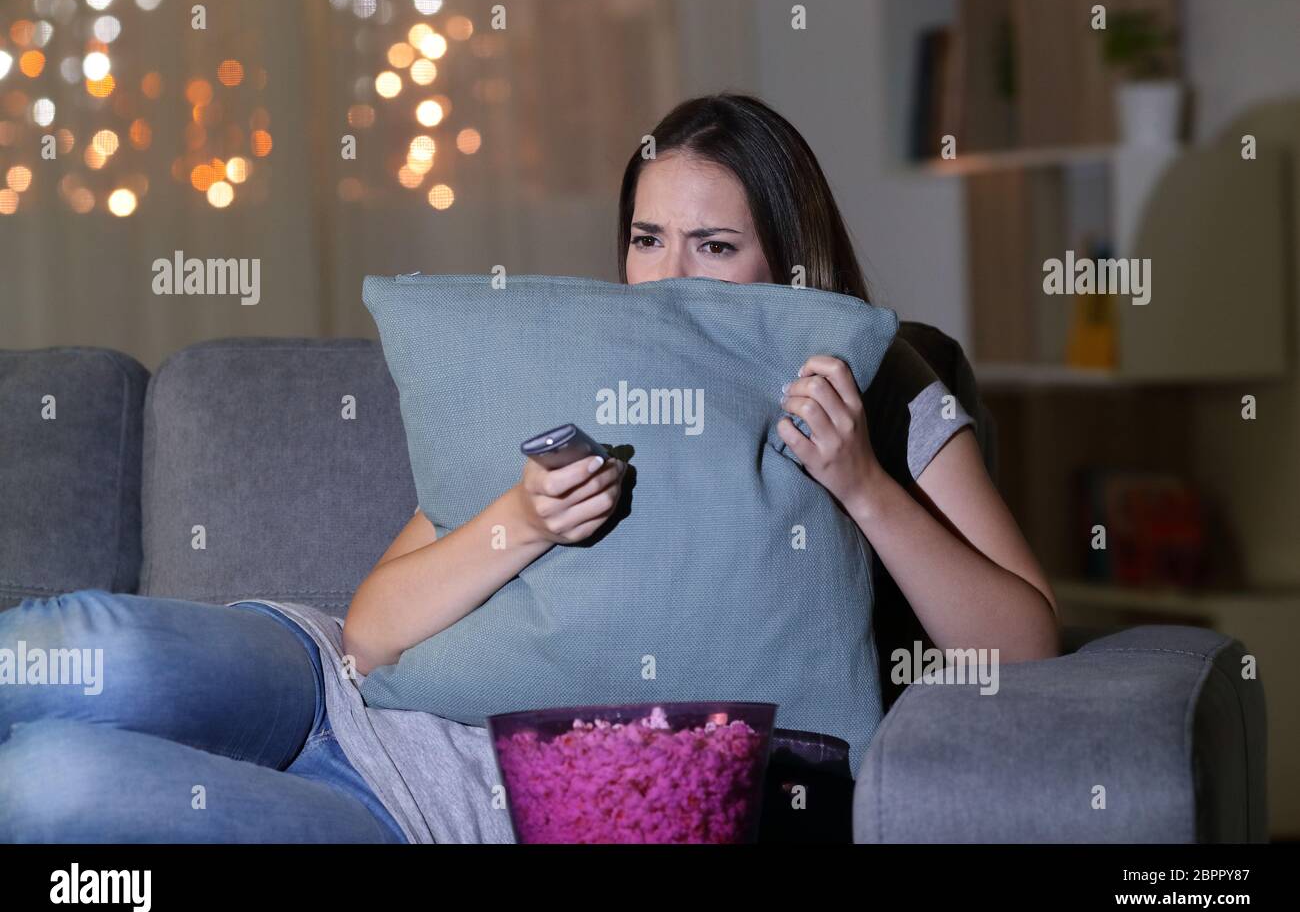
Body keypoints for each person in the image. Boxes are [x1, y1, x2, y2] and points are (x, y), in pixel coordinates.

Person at [0, 93, 1057, 844]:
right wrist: (525, 518)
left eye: (715, 244)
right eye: (647, 237)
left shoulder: (882, 381)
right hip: (328, 691)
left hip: (428, 817)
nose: (667, 275)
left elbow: (1024, 639)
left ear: (790, 262)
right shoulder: (581, 360)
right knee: (82, 653)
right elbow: (368, 635)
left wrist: (861, 484)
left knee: (51, 787)